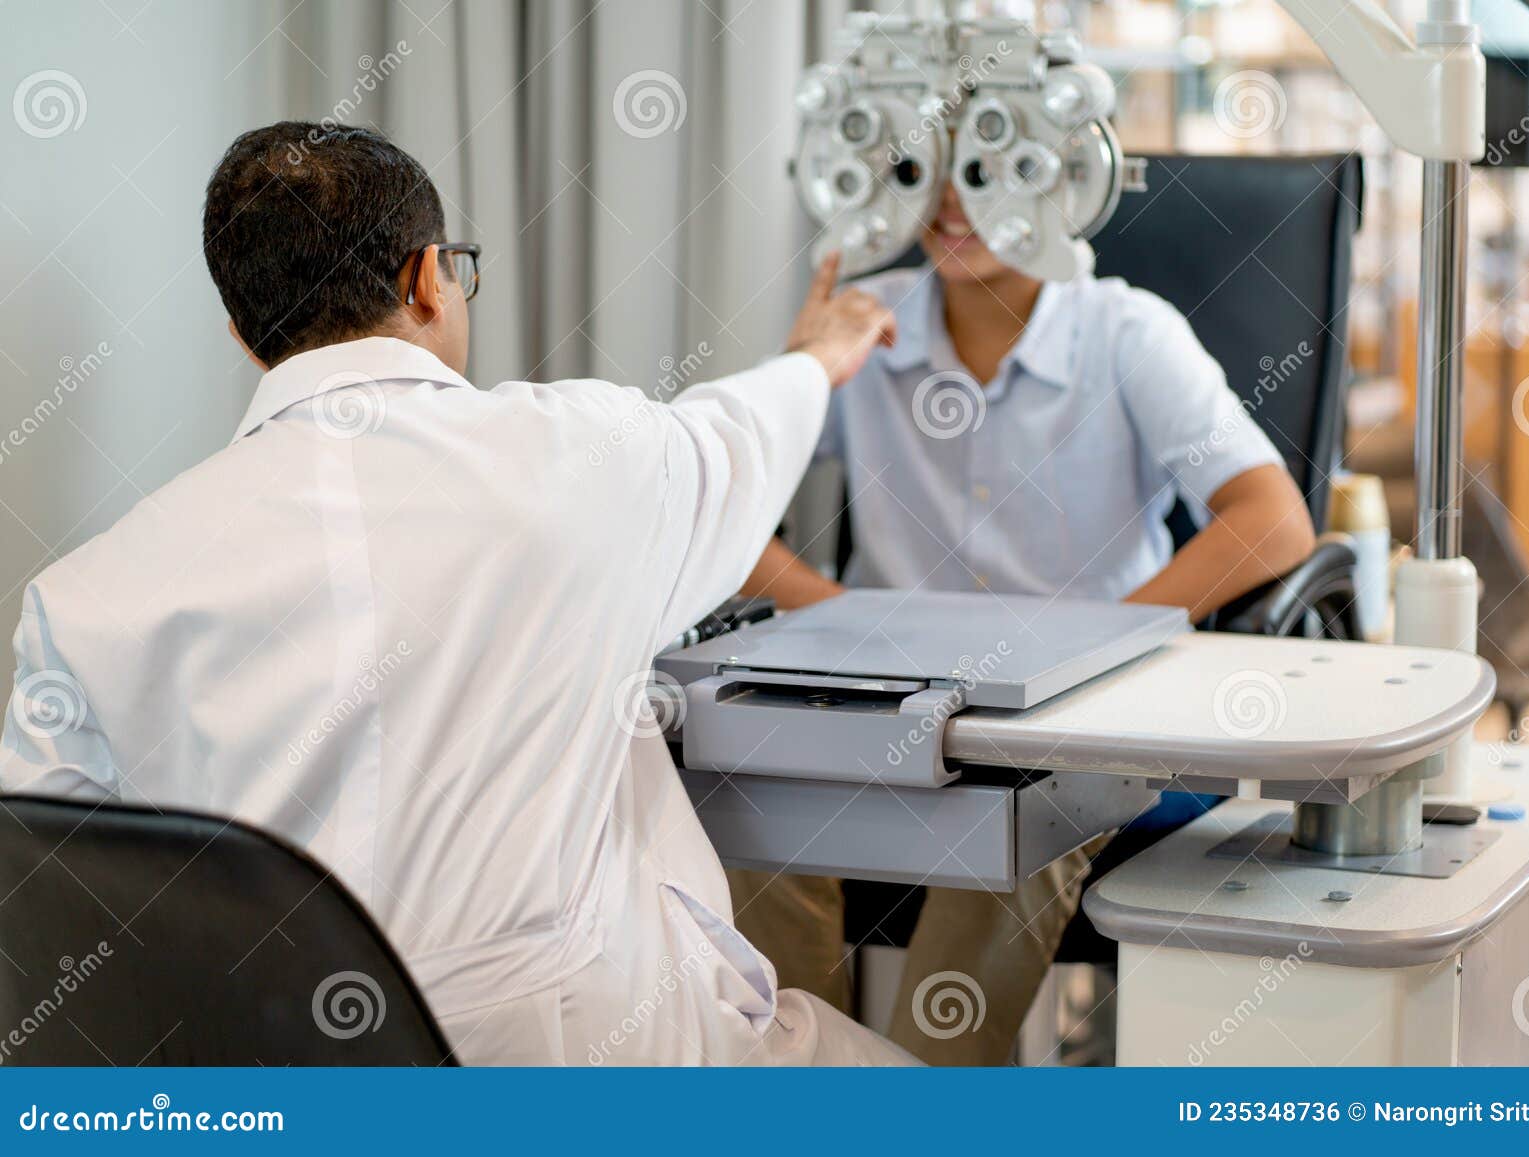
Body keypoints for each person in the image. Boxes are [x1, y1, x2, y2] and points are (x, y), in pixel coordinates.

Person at [0, 122, 913, 1066]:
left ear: (241, 332)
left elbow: (48, 918)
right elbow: (741, 437)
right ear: (428, 277)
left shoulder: (82, 599)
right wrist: (817, 355)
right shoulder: (586, 454)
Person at [731, 179, 1316, 1065]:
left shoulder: (1125, 331)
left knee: (1009, 829)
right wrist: (799, 374)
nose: (950, 202)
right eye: (927, 171)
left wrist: (1085, 644)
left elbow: (1271, 517)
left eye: (986, 170)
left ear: (1054, 178)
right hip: (885, 698)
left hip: (1076, 718)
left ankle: (918, 1105)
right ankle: (811, 1097)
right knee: (750, 796)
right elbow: (726, 510)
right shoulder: (867, 321)